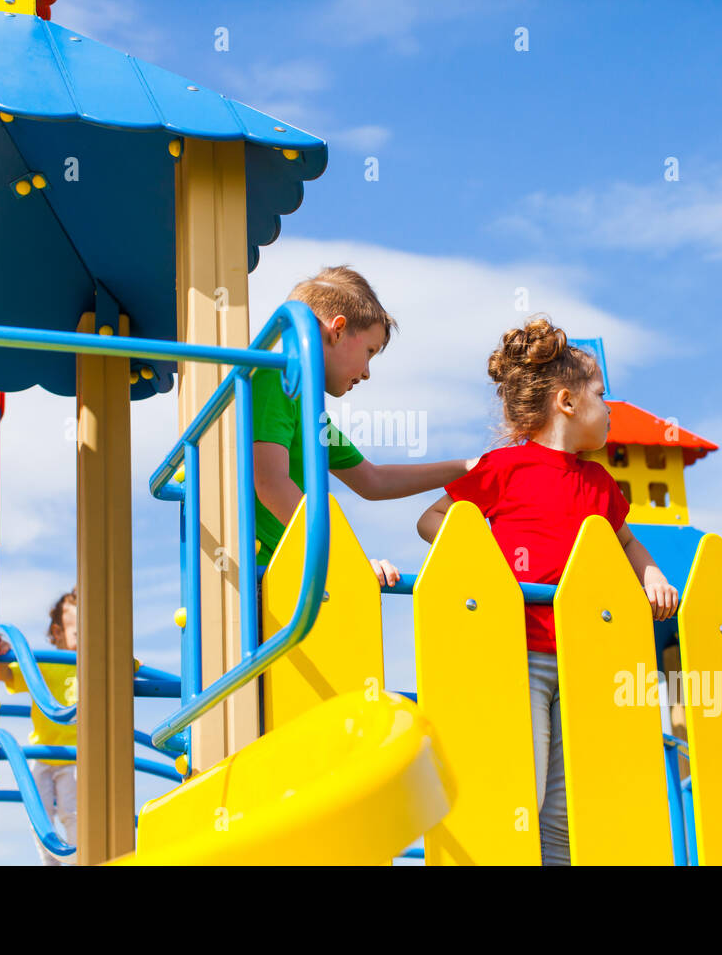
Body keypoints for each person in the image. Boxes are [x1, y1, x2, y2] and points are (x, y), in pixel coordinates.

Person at [416, 316, 679, 865]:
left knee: (565, 804)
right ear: (566, 401)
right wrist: (489, 570)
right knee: (523, 789)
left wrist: (651, 574)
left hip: (583, 655)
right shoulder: (504, 468)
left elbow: (627, 544)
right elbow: (433, 520)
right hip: (521, 652)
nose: (610, 409)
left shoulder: (601, 485)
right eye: (601, 395)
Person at [253, 265, 476, 585]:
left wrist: (466, 467)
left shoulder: (307, 408)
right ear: (338, 329)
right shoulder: (273, 380)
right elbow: (270, 482)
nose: (368, 371)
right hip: (259, 578)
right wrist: (343, 558)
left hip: (288, 573)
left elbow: (372, 480)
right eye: (369, 351)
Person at [0, 589, 79, 866]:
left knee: (72, 813)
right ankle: (51, 863)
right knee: (39, 816)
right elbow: (7, 674)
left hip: (75, 757)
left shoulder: (97, 665)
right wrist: (0, 654)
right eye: (79, 634)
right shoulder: (46, 663)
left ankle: (82, 860)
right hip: (42, 754)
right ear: (57, 633)